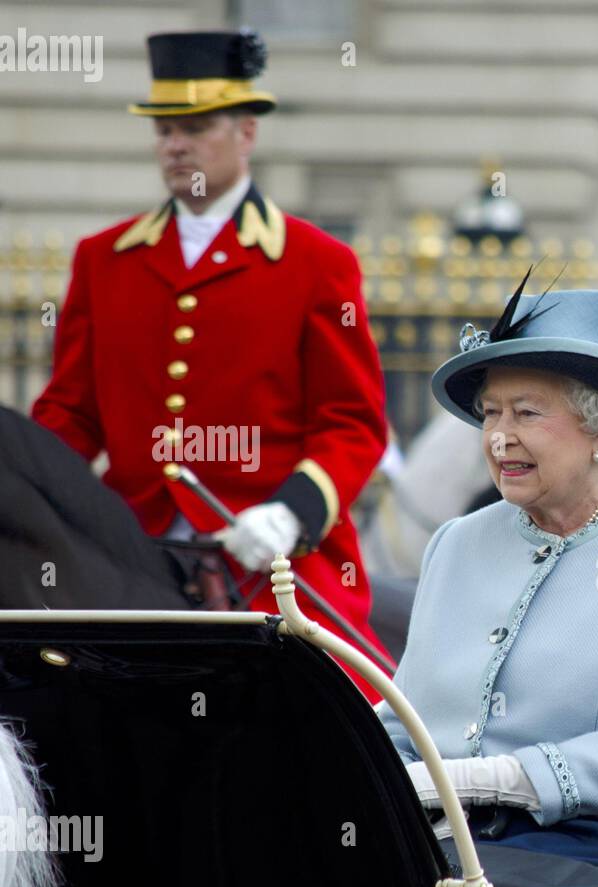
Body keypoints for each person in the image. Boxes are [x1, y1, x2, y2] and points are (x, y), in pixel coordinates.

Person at [31, 29, 390, 694]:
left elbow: (353, 423)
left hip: (273, 563)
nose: (176, 144)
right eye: (165, 127)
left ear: (247, 131)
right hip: (132, 553)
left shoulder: (317, 264)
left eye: (196, 125)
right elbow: (71, 417)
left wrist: (291, 512)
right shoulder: (104, 260)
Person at [379, 284, 598, 868]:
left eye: (526, 413)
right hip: (455, 846)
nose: (499, 437)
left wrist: (495, 780)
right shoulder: (455, 544)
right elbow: (404, 718)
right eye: (491, 413)